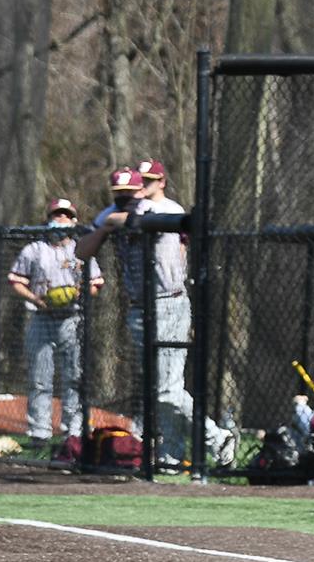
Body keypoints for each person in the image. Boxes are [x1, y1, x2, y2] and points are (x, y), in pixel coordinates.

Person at [77, 162, 234, 466]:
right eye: (119, 193)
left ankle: (217, 437)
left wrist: (117, 220)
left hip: (168, 303)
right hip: (139, 308)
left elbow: (141, 220)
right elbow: (82, 251)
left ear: (142, 190)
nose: (125, 198)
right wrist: (106, 227)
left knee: (166, 389)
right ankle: (172, 455)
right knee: (158, 388)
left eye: (131, 191)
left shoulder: (160, 209)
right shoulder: (110, 214)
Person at [8, 198, 103, 450]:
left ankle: (73, 431)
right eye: (56, 215)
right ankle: (39, 433)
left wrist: (79, 294)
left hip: (72, 319)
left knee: (74, 376)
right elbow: (15, 280)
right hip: (41, 318)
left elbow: (96, 283)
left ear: (74, 220)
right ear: (48, 219)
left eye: (66, 215)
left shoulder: (82, 249)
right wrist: (35, 298)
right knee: (40, 377)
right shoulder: (34, 249)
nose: (61, 219)